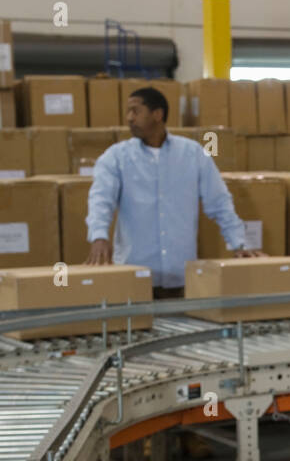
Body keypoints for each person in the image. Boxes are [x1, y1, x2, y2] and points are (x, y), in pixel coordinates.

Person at [85, 86, 263, 300]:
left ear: (157, 114)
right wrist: (99, 236)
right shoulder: (116, 157)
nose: (129, 118)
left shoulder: (193, 154)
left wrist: (239, 243)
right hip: (134, 278)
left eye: (135, 111)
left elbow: (219, 202)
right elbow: (100, 199)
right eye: (128, 112)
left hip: (181, 278)